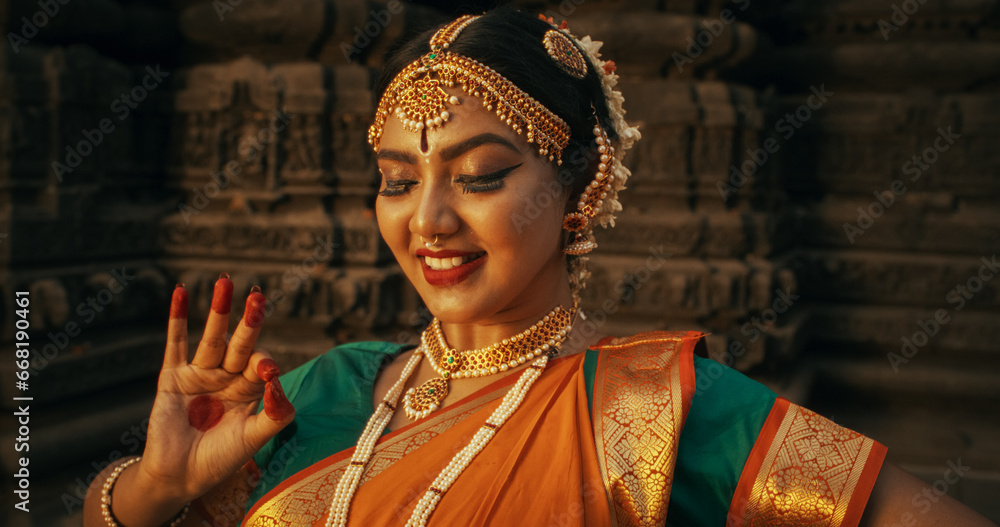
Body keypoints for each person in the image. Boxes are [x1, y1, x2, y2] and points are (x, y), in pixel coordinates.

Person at [83, 8, 996, 527]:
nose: (429, 219)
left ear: (580, 189)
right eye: (398, 180)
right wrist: (156, 488)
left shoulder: (657, 406)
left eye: (480, 176)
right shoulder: (327, 389)